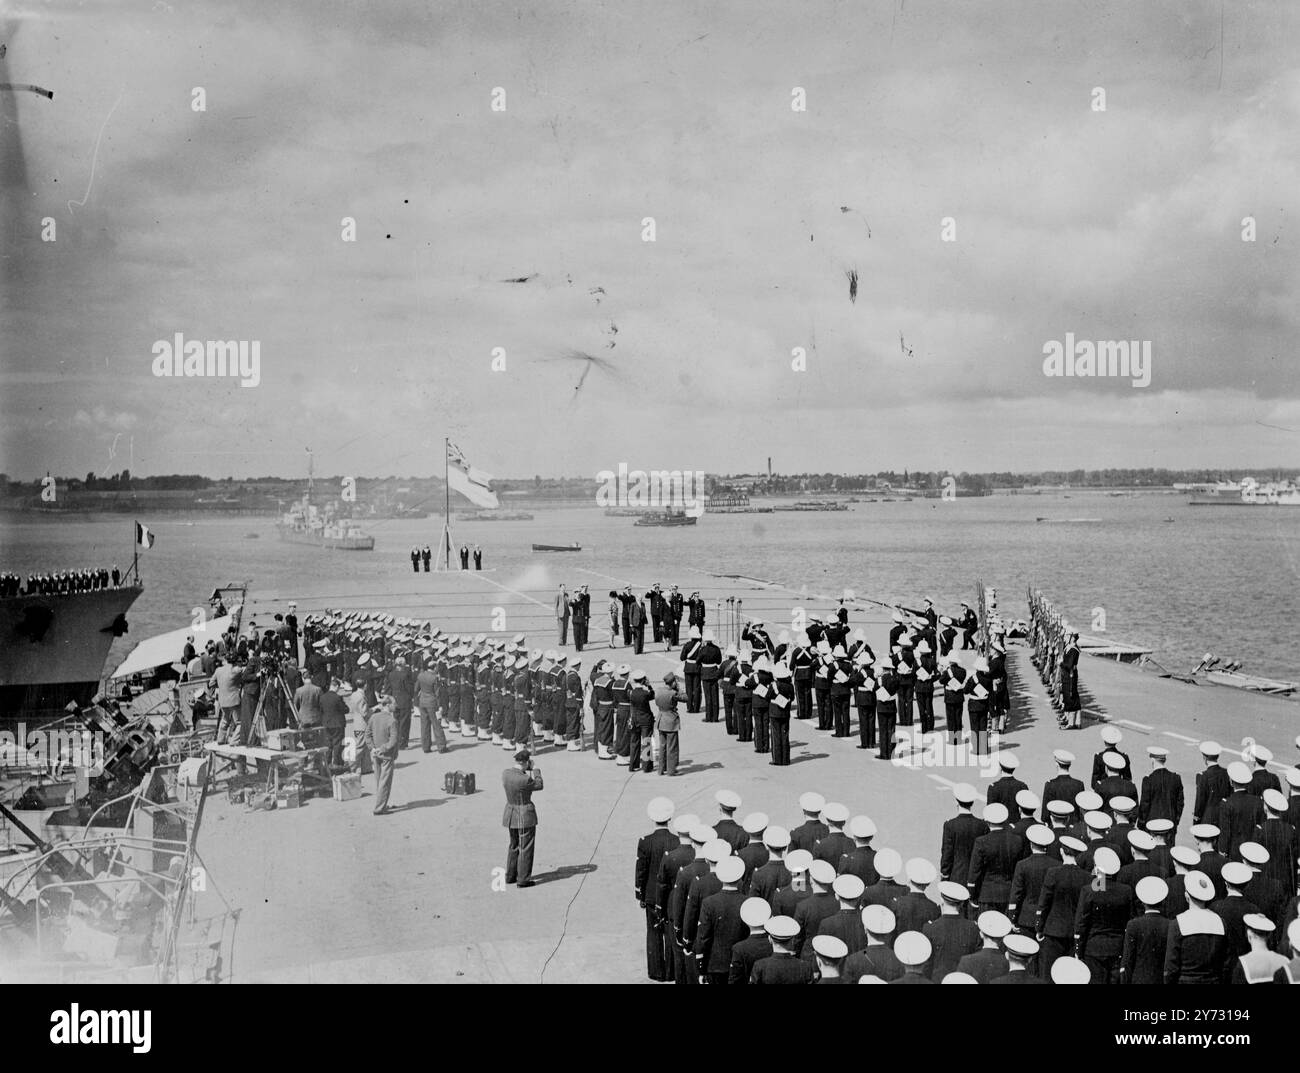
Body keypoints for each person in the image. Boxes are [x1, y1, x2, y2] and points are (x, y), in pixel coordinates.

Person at [636, 796, 678, 981]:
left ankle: (656, 971)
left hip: (652, 894)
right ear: (669, 819)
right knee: (670, 933)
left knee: (653, 933)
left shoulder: (645, 841)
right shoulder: (676, 841)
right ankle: (671, 971)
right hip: (670, 896)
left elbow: (642, 870)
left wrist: (640, 895)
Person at [502, 749, 544, 887]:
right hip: (525, 815)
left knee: (513, 845)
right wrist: (536, 770)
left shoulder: (506, 774)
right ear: (526, 762)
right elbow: (539, 784)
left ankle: (510, 875)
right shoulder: (525, 779)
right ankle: (523, 879)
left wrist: (526, 769)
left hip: (510, 814)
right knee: (525, 847)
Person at [364, 699, 400, 815]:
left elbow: (367, 734)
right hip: (387, 756)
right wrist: (383, 749)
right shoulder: (392, 721)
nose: (395, 706)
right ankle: (380, 808)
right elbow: (393, 740)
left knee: (379, 781)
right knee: (385, 782)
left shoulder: (374, 717)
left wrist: (372, 748)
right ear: (388, 705)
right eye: (394, 704)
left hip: (375, 754)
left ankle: (382, 803)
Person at [655, 672, 687, 776]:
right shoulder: (673, 693)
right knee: (672, 747)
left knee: (662, 746)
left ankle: (661, 769)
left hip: (661, 719)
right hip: (671, 721)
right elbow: (685, 698)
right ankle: (671, 770)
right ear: (672, 682)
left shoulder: (658, 691)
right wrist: (679, 689)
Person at [416, 656, 448, 753]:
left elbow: (416, 689)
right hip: (432, 702)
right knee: (436, 724)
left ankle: (426, 746)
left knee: (424, 725)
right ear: (434, 667)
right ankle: (441, 746)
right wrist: (440, 706)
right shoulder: (434, 678)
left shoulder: (421, 675)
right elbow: (437, 693)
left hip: (422, 701)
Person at [320, 679, 349, 768]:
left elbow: (320, 710)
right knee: (337, 744)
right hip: (337, 724)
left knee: (328, 744)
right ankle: (337, 763)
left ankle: (327, 763)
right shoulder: (338, 697)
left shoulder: (322, 697)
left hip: (326, 723)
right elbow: (345, 709)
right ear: (336, 686)